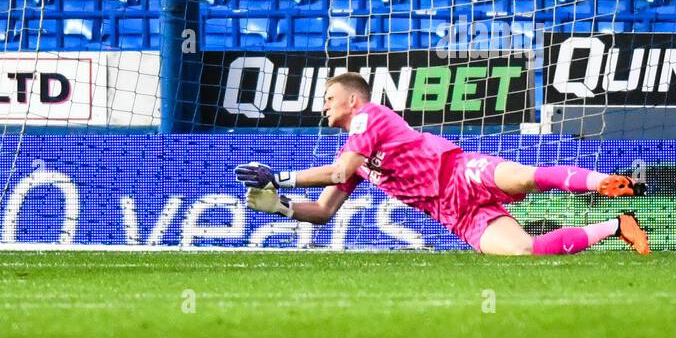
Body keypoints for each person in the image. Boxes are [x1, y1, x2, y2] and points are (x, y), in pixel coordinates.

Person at [236, 72, 651, 256]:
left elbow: (340, 172)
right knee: (525, 251)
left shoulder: (369, 117)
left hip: (459, 171)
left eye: (328, 99)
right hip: (454, 213)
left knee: (524, 177)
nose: (322, 107)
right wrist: (282, 206)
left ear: (352, 100)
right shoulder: (355, 155)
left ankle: (606, 182)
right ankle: (618, 226)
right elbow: (325, 210)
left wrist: (281, 177)